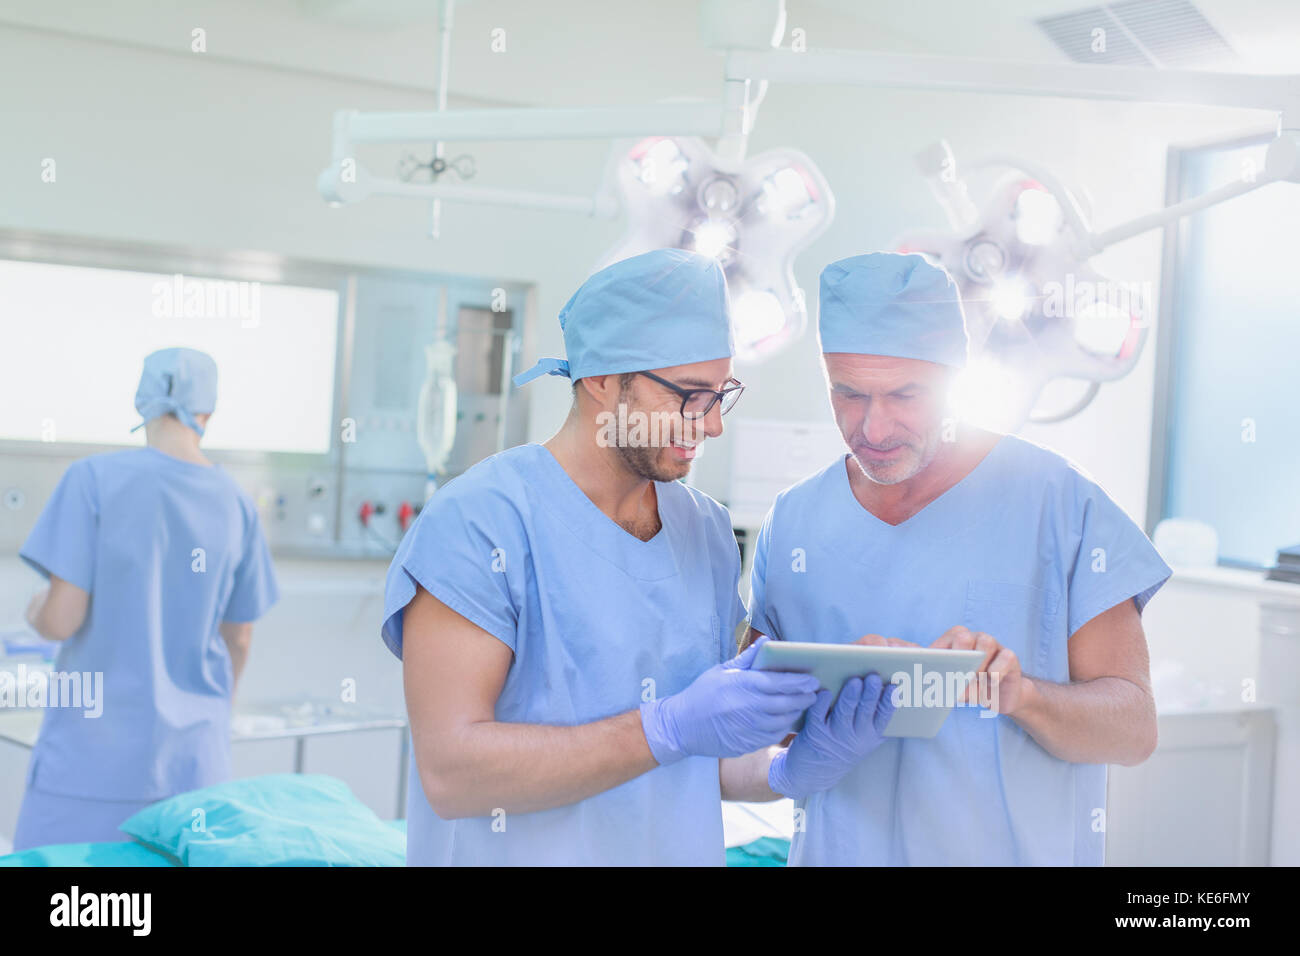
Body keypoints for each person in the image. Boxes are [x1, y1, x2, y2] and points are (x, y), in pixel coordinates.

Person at [382, 248, 890, 866]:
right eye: (689, 394)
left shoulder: (703, 531)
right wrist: (663, 726)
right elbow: (454, 775)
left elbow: (704, 760)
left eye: (720, 394)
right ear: (601, 378)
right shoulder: (480, 523)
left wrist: (791, 769)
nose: (711, 426)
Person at [735, 252, 1171, 866]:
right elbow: (750, 723)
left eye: (905, 395)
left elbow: (1133, 731)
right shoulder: (797, 518)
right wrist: (822, 702)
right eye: (849, 393)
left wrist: (1022, 694)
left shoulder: (1056, 501)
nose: (874, 427)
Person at [13, 347, 279, 849]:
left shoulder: (93, 480)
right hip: (193, 769)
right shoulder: (236, 503)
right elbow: (239, 637)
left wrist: (35, 609)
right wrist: (215, 714)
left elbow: (61, 619)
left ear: (143, 403)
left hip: (91, 763)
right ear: (208, 414)